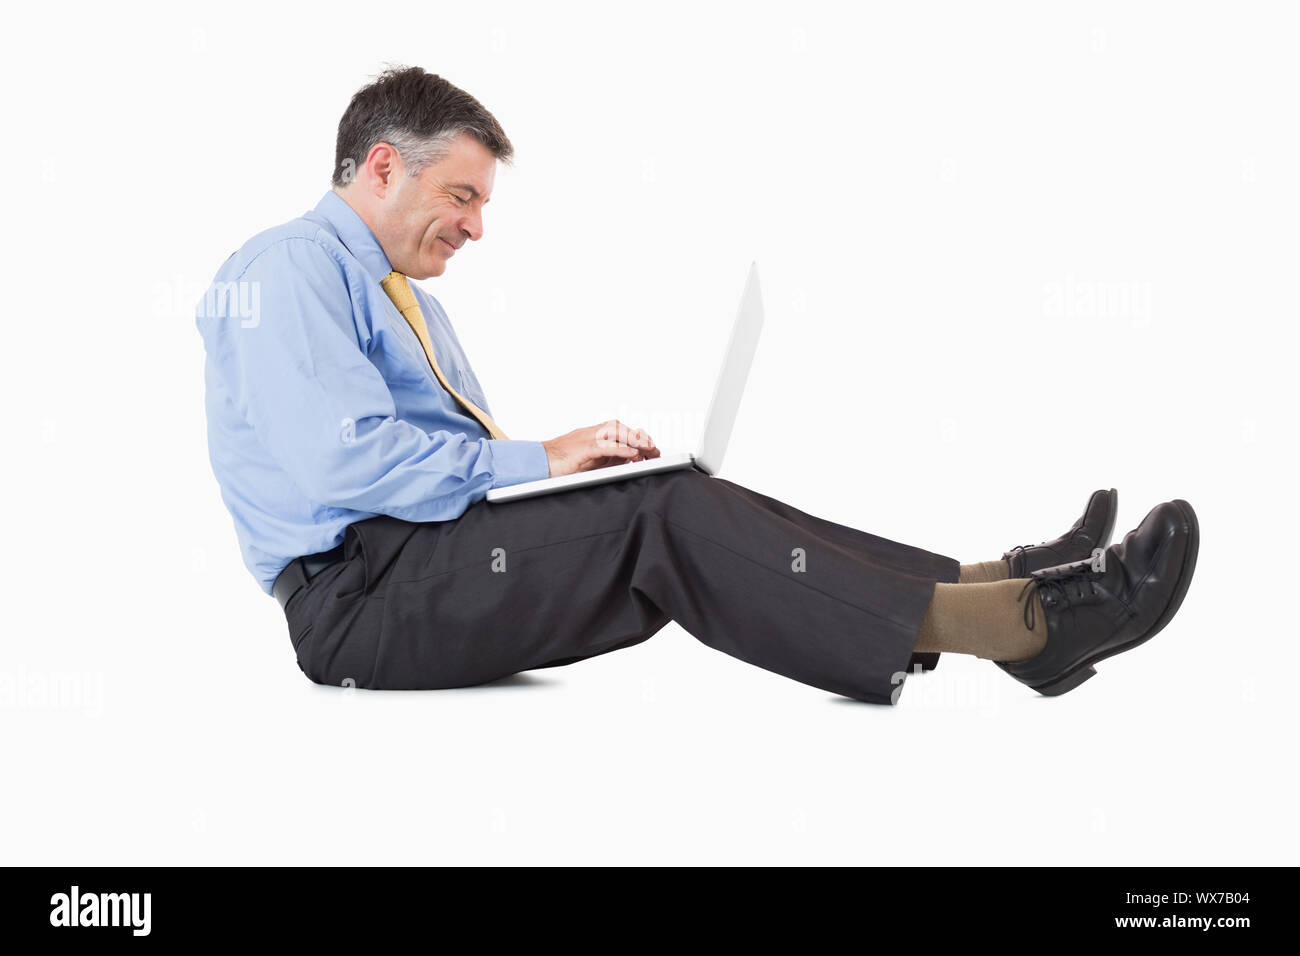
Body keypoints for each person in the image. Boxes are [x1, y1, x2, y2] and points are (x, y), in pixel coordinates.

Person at [195, 66, 1199, 705]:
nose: (475, 226)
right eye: (461, 195)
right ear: (381, 167)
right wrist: (543, 459)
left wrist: (553, 478)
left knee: (684, 499)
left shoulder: (389, 291)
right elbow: (341, 456)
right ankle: (1028, 629)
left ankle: (992, 579)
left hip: (411, 564)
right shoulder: (285, 270)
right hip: (358, 604)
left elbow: (418, 466)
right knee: (667, 514)